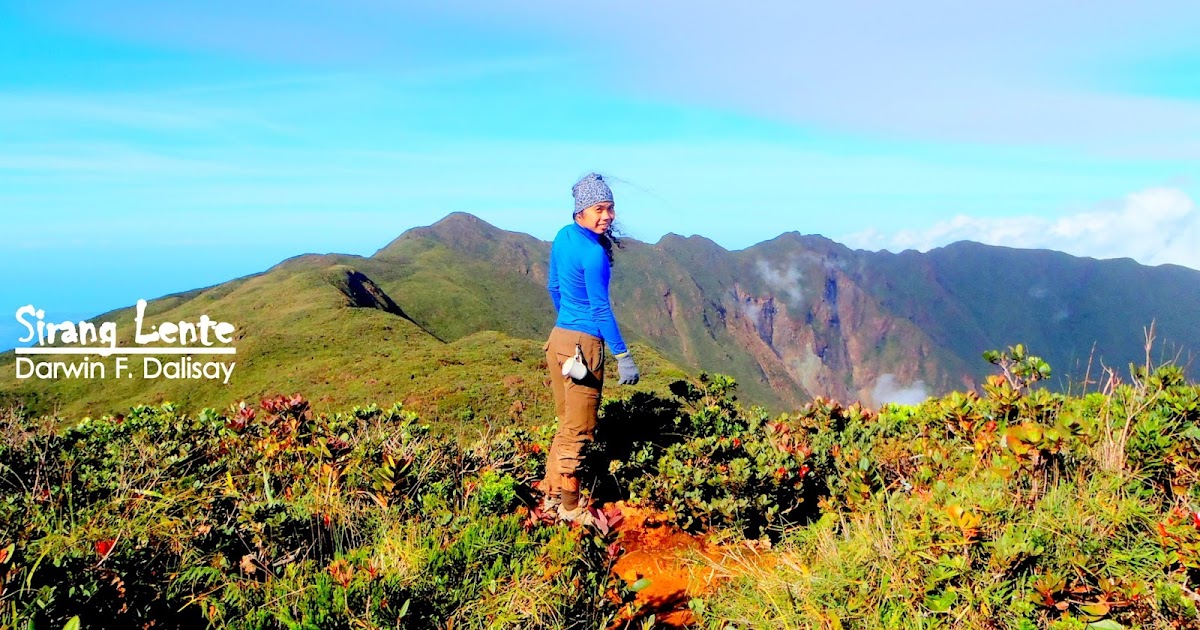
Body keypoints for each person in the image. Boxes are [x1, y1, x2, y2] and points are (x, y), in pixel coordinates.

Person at [540, 172, 640, 525]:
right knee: (579, 429)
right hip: (584, 345)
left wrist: (568, 323)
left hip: (559, 340)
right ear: (581, 211)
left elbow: (554, 286)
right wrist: (622, 356)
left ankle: (552, 497)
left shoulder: (563, 237)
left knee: (566, 422)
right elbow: (600, 309)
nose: (607, 216)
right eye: (599, 208)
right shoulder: (594, 254)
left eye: (610, 208)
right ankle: (569, 508)